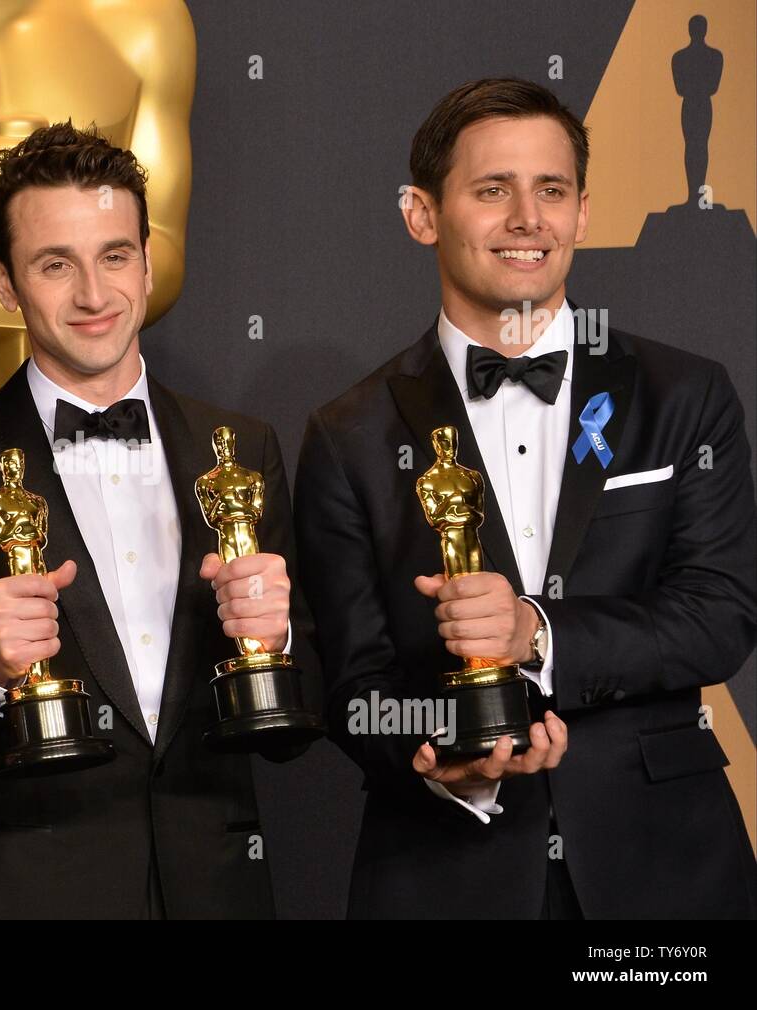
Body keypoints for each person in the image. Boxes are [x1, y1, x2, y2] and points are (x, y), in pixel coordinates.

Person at [295, 77, 757, 918]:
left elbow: (722, 615)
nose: (527, 220)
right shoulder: (346, 434)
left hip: (664, 871)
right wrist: (444, 760)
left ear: (583, 213)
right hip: (445, 873)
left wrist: (535, 632)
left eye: (551, 190)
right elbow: (355, 692)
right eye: (491, 190)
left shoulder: (685, 393)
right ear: (422, 216)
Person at [0, 122, 320, 918]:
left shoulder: (239, 449)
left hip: (220, 889)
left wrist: (279, 645)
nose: (95, 296)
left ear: (148, 258)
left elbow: (297, 728)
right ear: (4, 282)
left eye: (115, 256)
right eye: (55, 265)